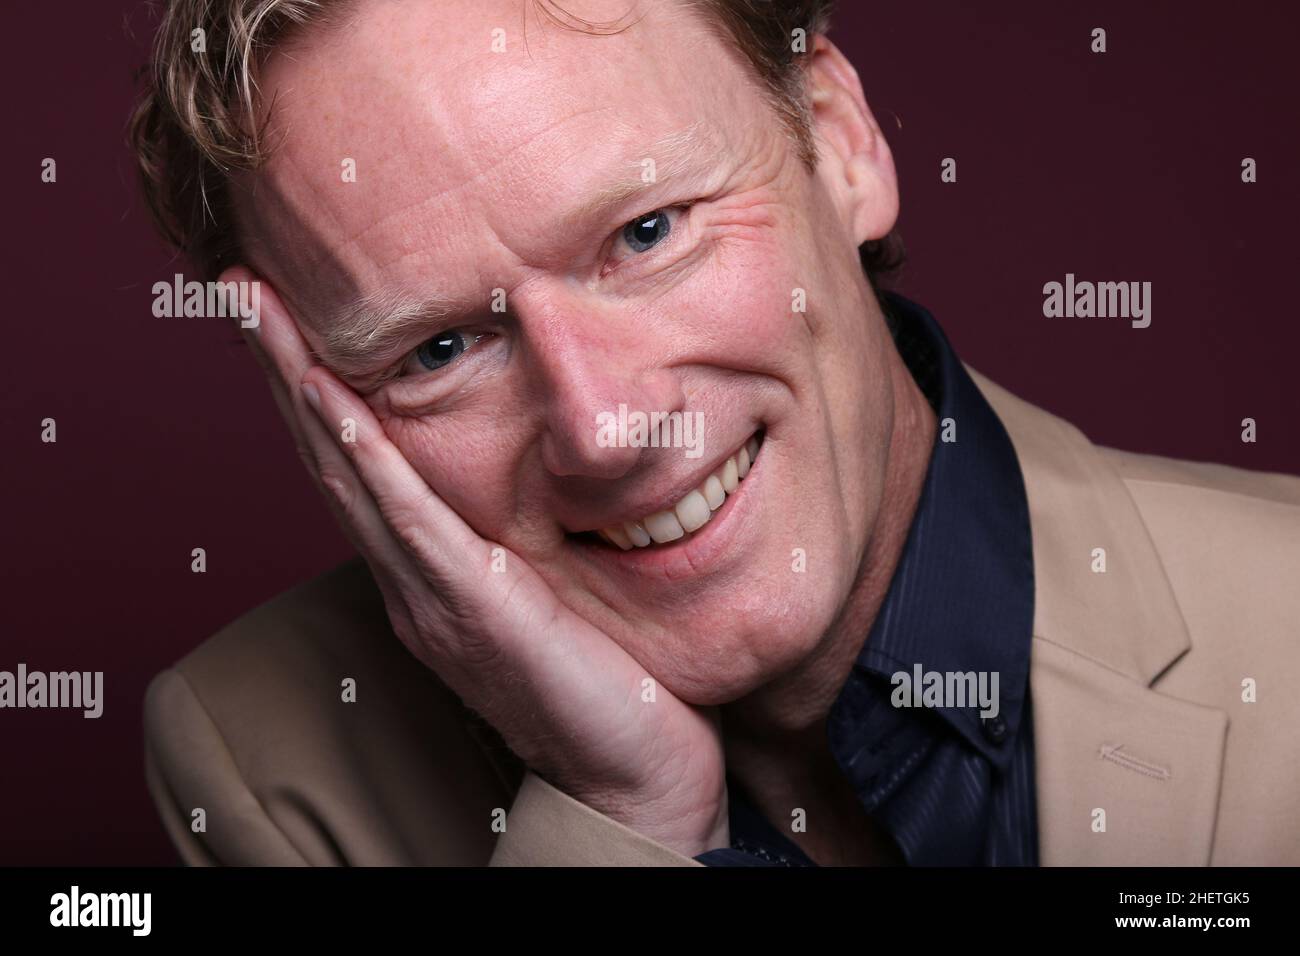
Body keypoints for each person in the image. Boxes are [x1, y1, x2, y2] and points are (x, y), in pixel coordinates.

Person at [132, 0, 1300, 866]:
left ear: (840, 141)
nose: (602, 426)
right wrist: (619, 813)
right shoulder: (262, 771)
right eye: (436, 351)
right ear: (316, 412)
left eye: (645, 232)